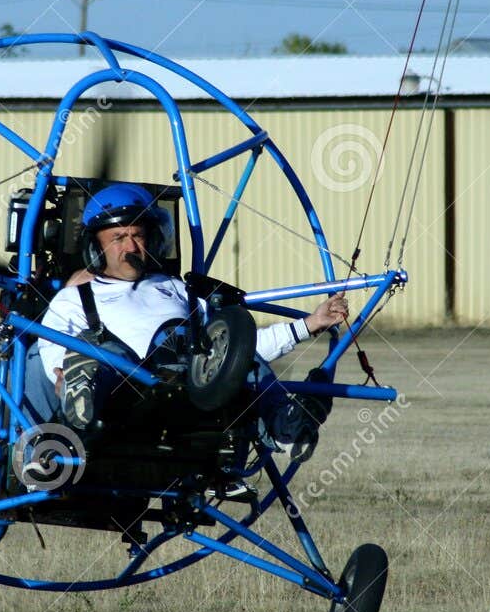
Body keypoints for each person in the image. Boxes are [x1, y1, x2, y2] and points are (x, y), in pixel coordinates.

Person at [27, 183, 347, 447]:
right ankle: (83, 396)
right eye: (118, 238)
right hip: (123, 399)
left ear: (153, 239)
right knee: (102, 353)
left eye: (138, 235)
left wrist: (309, 324)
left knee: (239, 353)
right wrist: (65, 377)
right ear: (96, 248)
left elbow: (233, 345)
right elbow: (52, 358)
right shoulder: (73, 299)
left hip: (189, 390)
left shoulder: (179, 289)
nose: (131, 247)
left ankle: (287, 424)